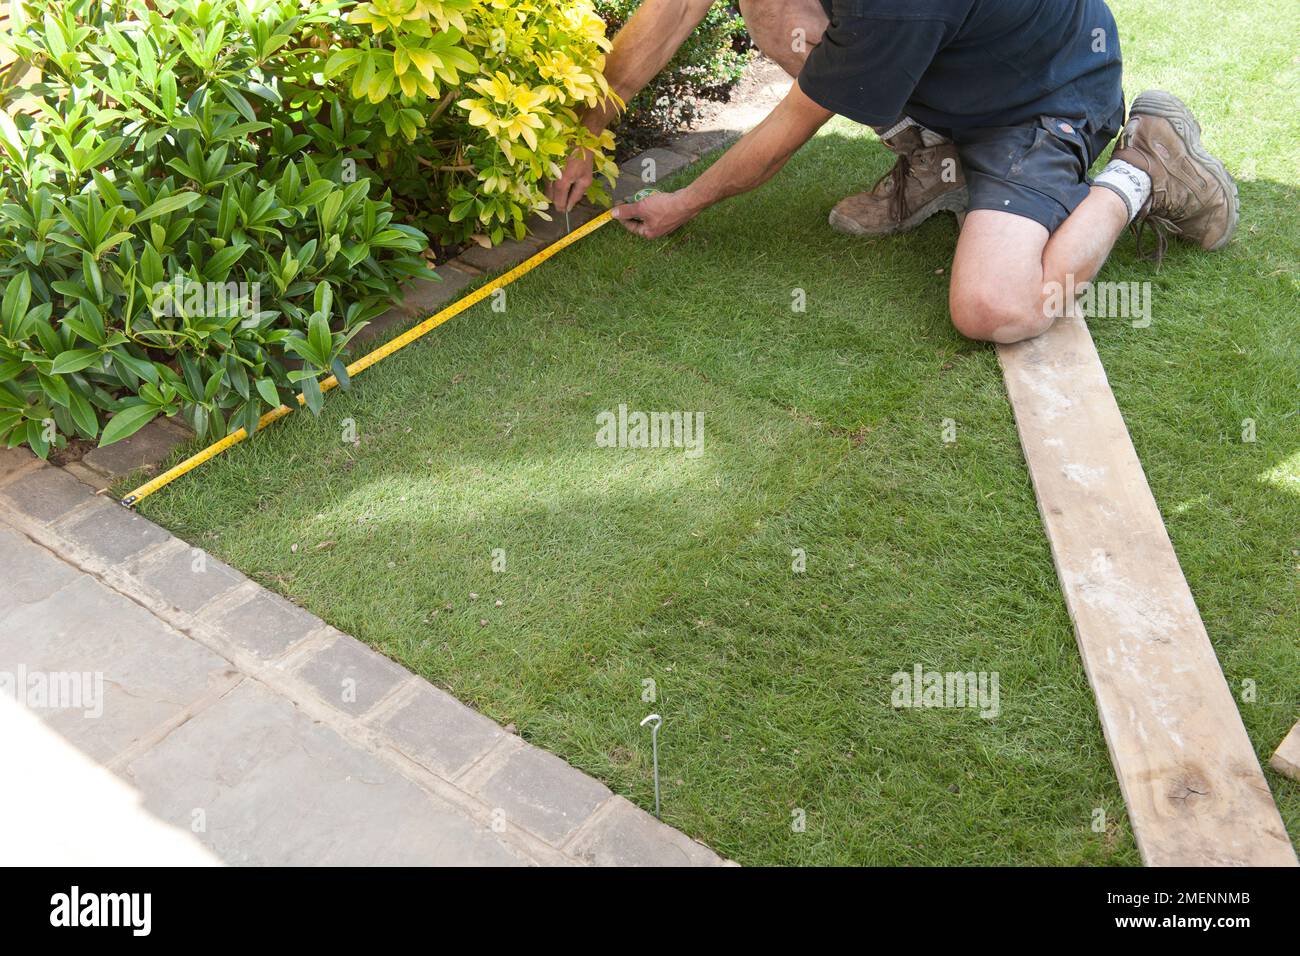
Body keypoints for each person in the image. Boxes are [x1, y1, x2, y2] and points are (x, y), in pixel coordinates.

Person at [545, 0, 1238, 343]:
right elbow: (675, 8)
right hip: (957, 61)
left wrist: (684, 203)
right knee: (786, 21)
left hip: (1042, 102)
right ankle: (937, 162)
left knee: (994, 308)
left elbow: (790, 125)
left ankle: (1145, 165)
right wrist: (590, 129)